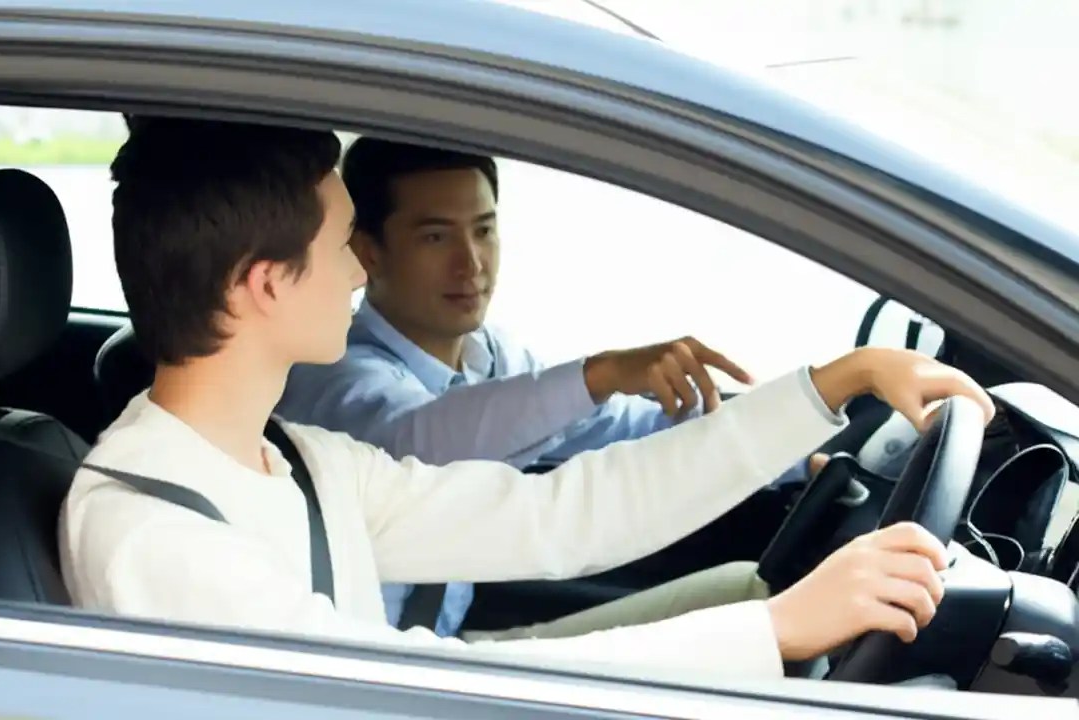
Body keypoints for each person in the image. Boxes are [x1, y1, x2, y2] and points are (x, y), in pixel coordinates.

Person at [59, 116, 994, 681]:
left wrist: (830, 384)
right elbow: (411, 692)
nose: (359, 271)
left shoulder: (297, 461)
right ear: (265, 284)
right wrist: (775, 628)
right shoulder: (153, 532)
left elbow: (565, 514)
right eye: (346, 244)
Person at [275, 138, 822, 636]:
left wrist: (798, 454)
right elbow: (421, 446)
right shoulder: (334, 372)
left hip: (451, 644)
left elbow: (619, 427)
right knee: (765, 627)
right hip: (374, 668)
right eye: (436, 237)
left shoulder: (489, 355)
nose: (471, 264)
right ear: (369, 253)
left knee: (748, 594)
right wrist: (600, 374)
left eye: (483, 230)